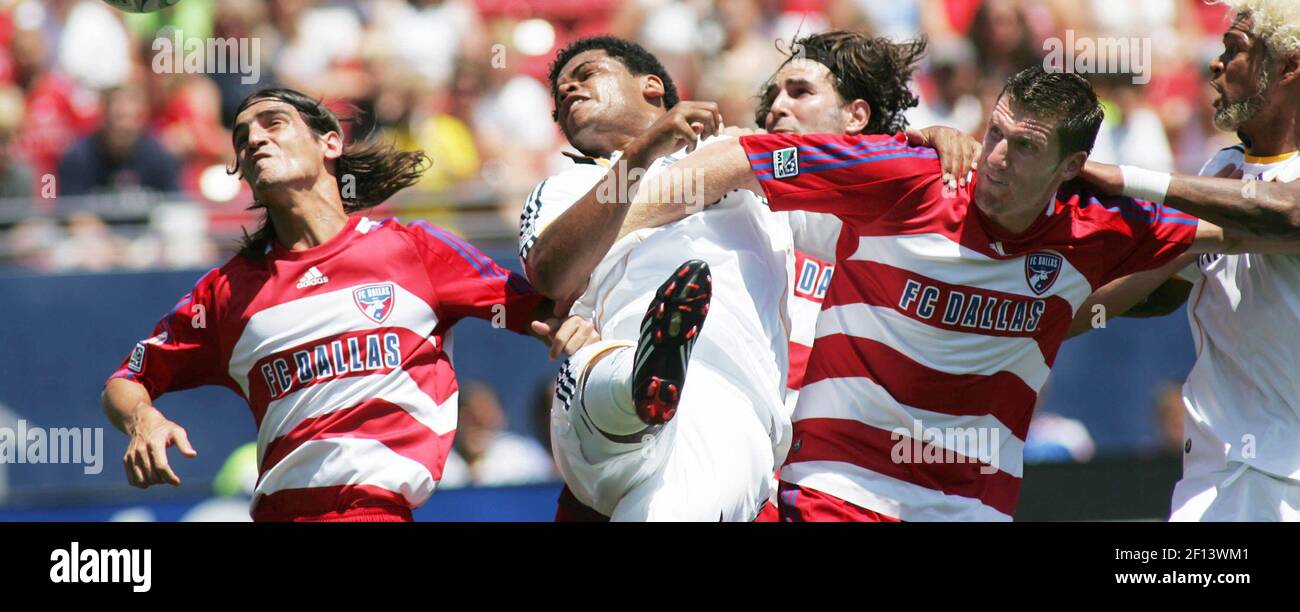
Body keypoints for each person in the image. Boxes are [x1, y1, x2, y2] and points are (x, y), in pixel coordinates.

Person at [654, 64, 1299, 521]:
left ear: (1071, 169)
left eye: (1025, 148)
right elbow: (746, 155)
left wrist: (1133, 186)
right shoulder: (905, 176)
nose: (995, 158)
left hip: (972, 508)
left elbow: (1277, 226)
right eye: (995, 133)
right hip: (835, 490)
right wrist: (616, 217)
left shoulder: (1097, 227)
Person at [519, 33, 971, 521]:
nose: (568, 92)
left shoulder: (761, 181)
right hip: (603, 407)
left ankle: (651, 375)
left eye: (585, 76)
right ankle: (644, 377)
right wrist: (646, 150)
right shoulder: (563, 188)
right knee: (601, 374)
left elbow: (877, 216)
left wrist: (921, 152)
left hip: (729, 412)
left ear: (651, 86)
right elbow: (551, 271)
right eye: (559, 94)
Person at [102, 87, 596, 522]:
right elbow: (126, 383)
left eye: (273, 123)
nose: (253, 140)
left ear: (330, 142)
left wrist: (575, 327)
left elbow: (545, 308)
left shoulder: (414, 251)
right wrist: (143, 418)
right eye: (241, 137)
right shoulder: (226, 293)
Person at [1072, 0, 1300, 521]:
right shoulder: (1221, 168)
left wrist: (1123, 179)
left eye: (1235, 49)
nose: (1216, 68)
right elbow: (1163, 287)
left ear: (1290, 67)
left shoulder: (1236, 187)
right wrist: (1058, 309)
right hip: (1216, 479)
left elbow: (1288, 214)